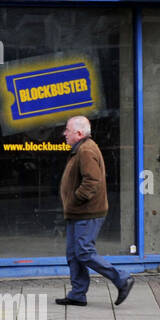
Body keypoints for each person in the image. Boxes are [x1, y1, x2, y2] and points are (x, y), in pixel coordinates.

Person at [55, 115, 134, 307]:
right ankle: (77, 294)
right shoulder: (80, 149)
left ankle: (122, 279)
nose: (64, 133)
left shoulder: (86, 150)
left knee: (83, 252)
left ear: (79, 133)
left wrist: (75, 199)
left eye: (68, 130)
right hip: (78, 212)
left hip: (87, 212)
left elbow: (92, 181)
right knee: (74, 254)